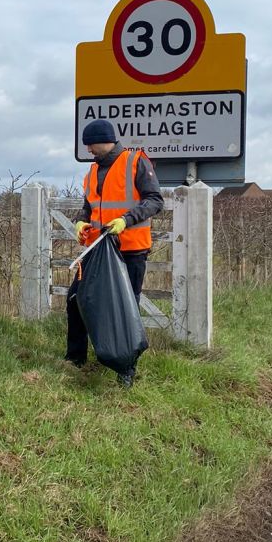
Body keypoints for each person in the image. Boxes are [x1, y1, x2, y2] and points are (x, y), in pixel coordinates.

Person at [66, 119, 163, 387]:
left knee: (126, 308)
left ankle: (126, 369)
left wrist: (126, 220)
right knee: (76, 298)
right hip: (97, 249)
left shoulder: (136, 162)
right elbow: (88, 205)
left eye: (91, 145)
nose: (89, 151)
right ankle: (75, 359)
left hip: (131, 248)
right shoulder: (92, 172)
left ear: (103, 140)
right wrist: (80, 221)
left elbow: (155, 200)